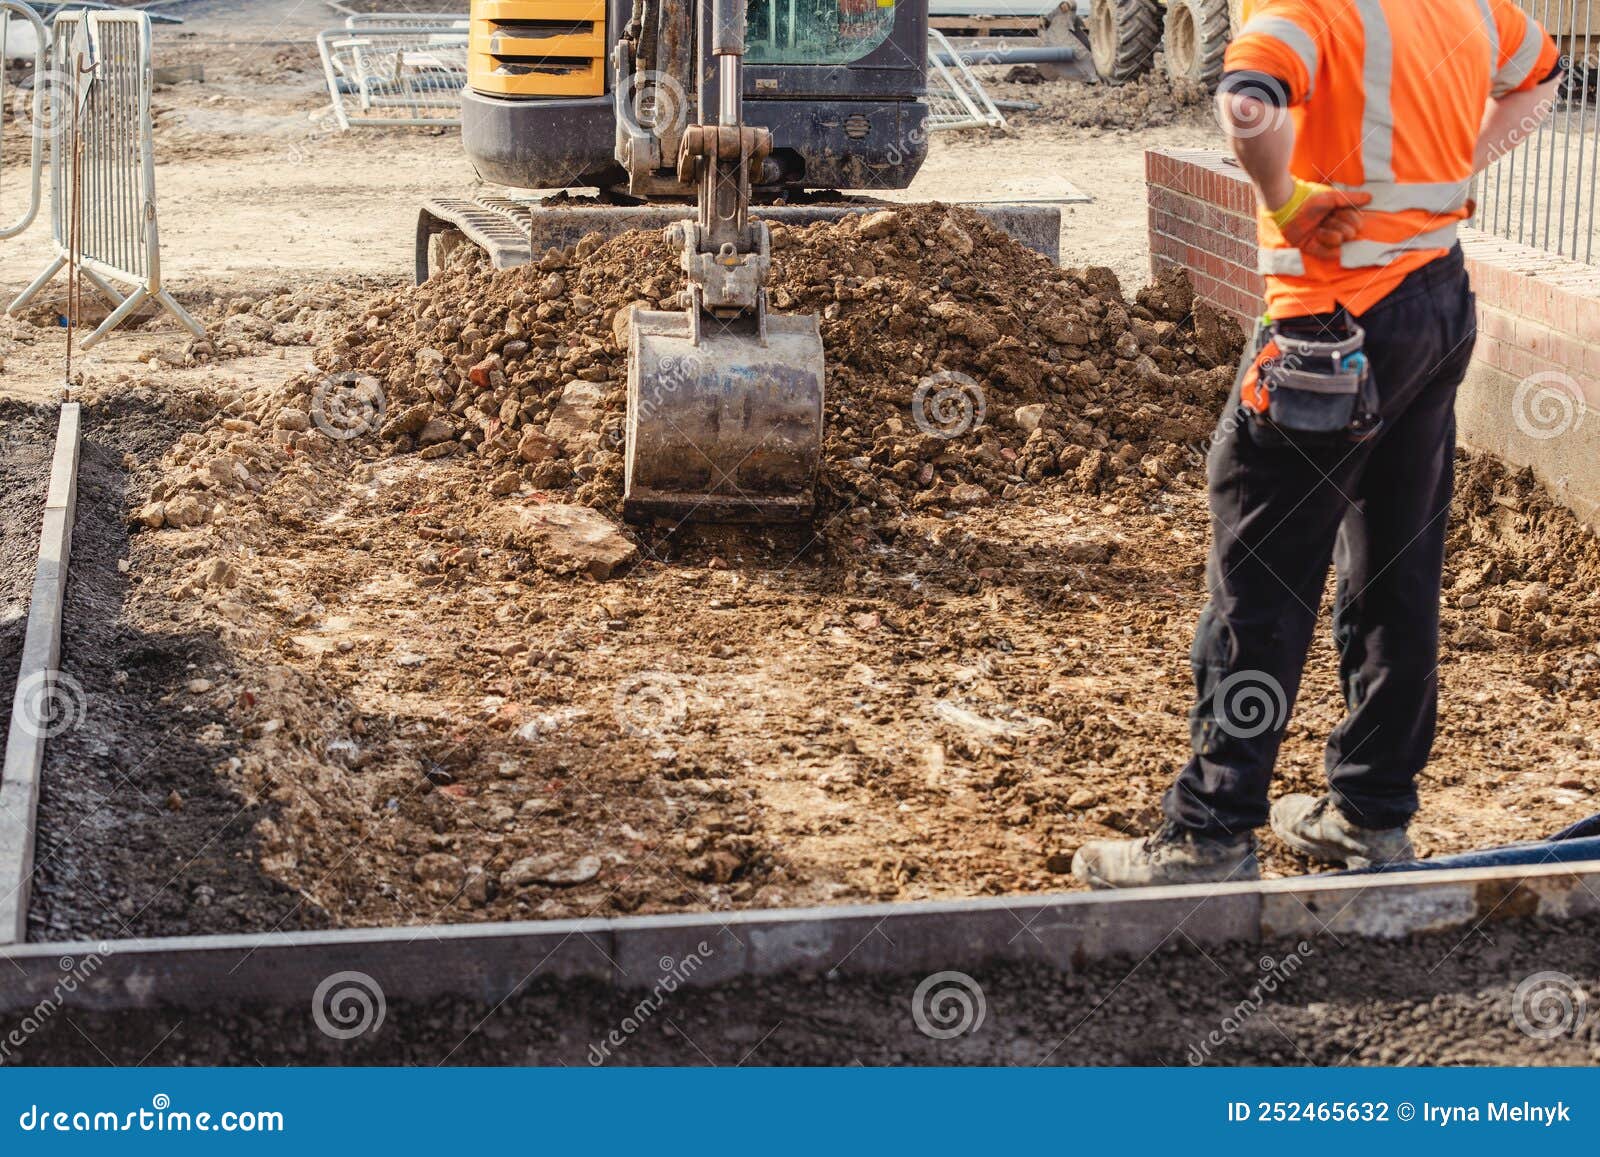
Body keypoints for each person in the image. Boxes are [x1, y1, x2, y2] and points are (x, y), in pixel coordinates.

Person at [1074, 0, 1563, 889]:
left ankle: (1210, 831)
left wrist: (1290, 201)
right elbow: (1539, 80)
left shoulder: (1303, 8)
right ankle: (1371, 814)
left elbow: (1249, 105)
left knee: (1259, 578)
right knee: (1398, 564)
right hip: (1435, 301)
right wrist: (1459, 168)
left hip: (1327, 325)